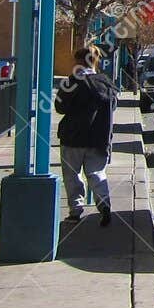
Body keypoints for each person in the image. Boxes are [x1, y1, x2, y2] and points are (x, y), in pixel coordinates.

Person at [56, 45, 115, 226]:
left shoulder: (71, 82)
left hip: (72, 137)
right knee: (97, 173)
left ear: (78, 62)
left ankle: (76, 210)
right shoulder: (105, 83)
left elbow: (60, 108)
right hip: (98, 138)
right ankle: (104, 204)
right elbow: (112, 107)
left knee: (72, 175)